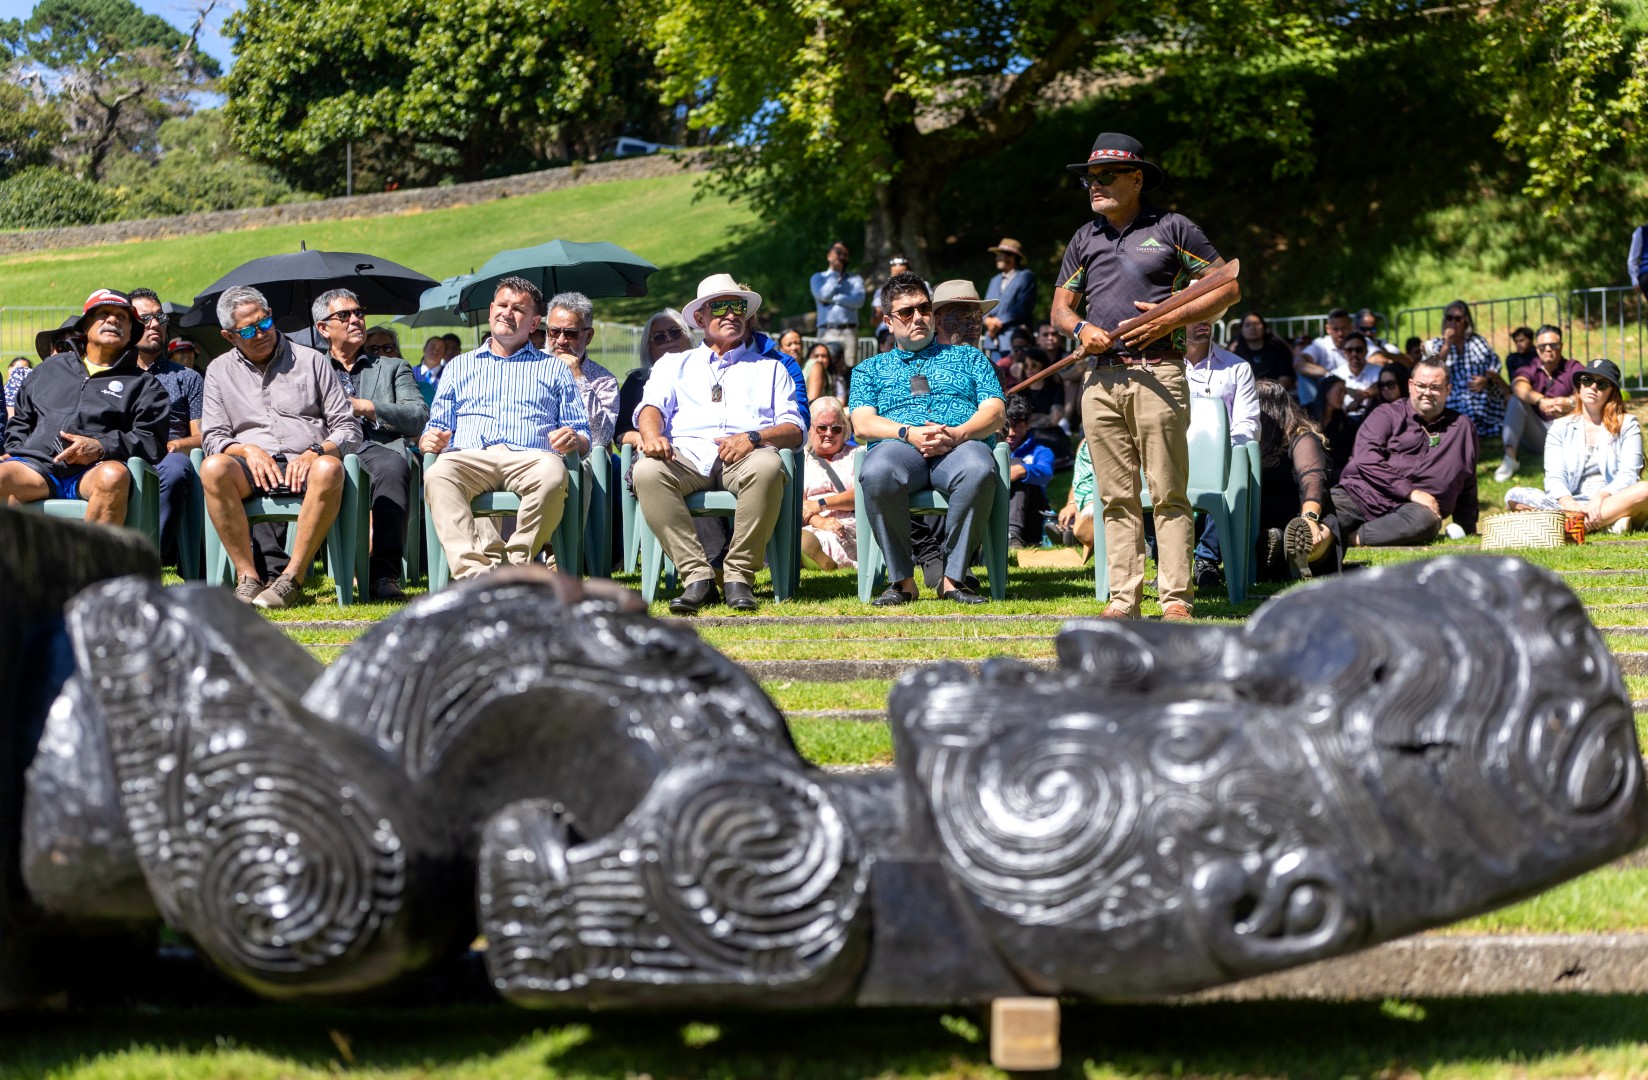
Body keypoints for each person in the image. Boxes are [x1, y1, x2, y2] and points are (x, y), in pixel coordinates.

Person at [1049, 131, 1237, 622]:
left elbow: (1228, 285)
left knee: (1169, 493)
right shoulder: (1083, 237)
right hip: (1099, 379)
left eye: (1106, 176)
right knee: (1114, 496)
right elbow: (1060, 310)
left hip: (1160, 374)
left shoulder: (1174, 227)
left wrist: (1169, 319)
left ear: (1136, 178)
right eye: (1090, 178)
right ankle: (1123, 599)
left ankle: (1175, 598)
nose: (1095, 185)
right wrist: (1082, 328)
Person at [633, 274, 803, 614]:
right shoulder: (673, 364)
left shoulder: (770, 368)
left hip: (746, 455)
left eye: (737, 305)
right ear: (700, 319)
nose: (731, 314)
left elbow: (795, 429)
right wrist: (652, 437)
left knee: (769, 465)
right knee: (647, 471)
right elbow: (650, 408)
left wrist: (754, 437)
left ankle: (739, 576)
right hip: (688, 456)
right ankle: (698, 577)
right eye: (720, 307)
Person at [417, 277, 590, 581]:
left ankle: (515, 566)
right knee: (437, 474)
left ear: (535, 321)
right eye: (502, 305)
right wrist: (428, 438)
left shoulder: (555, 368)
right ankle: (475, 575)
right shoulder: (459, 366)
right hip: (470, 455)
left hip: (532, 457)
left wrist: (574, 438)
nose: (507, 313)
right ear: (490, 311)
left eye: (518, 308)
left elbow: (582, 431)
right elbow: (438, 426)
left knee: (552, 474)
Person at [849, 271, 1005, 606]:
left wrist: (957, 433)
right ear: (889, 321)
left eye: (924, 309)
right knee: (876, 472)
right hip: (900, 447)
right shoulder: (870, 369)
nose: (918, 317)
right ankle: (903, 582)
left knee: (979, 467)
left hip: (959, 446)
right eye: (906, 312)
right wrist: (908, 433)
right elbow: (861, 424)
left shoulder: (970, 357)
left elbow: (995, 412)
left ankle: (953, 579)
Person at [200, 286, 361, 608]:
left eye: (263, 323)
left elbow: (348, 427)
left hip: (307, 460)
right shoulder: (218, 370)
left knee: (330, 467)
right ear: (229, 336)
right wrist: (245, 450)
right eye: (247, 330)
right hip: (250, 467)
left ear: (270, 316)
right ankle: (248, 577)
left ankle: (292, 578)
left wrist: (317, 451)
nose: (259, 333)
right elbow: (213, 436)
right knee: (213, 467)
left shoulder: (312, 361)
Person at [0, 289, 169, 526]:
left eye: (122, 317)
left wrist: (101, 446)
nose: (113, 320)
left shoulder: (145, 385)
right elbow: (21, 419)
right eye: (104, 314)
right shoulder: (50, 368)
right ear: (85, 325)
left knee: (113, 476)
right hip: (38, 466)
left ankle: (90, 563)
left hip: (94, 469)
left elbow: (152, 441)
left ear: (131, 332)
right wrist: (16, 450)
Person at [315, 287, 427, 601]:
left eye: (359, 313)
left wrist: (366, 407)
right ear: (324, 328)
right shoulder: (309, 369)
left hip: (378, 447)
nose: (356, 320)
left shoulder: (391, 368)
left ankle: (384, 575)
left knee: (393, 466)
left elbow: (417, 416)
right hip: (328, 446)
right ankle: (278, 572)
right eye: (344, 315)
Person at [1330, 355, 1477, 548]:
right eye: (1421, 385)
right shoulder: (1386, 414)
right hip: (1362, 496)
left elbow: (1467, 479)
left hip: (1414, 513)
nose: (1427, 392)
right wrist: (1411, 492)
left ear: (1447, 390)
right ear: (1410, 385)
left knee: (1427, 522)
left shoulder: (1462, 427)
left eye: (1435, 387)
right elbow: (1365, 458)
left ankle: (1351, 538)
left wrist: (1467, 526)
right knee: (1323, 516)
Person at [1504, 359, 1648, 533]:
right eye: (1587, 380)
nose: (1593, 387)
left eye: (1602, 384)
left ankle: (1576, 526)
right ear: (1579, 386)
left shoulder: (1627, 424)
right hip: (1570, 504)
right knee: (1513, 496)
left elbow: (1628, 474)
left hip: (1611, 498)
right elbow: (1555, 476)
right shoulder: (1560, 427)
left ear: (1612, 392)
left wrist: (1601, 496)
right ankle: (1607, 524)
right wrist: (1569, 503)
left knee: (1645, 489)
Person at [130, 288, 205, 567]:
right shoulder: (115, 376)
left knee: (176, 468)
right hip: (126, 451)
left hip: (170, 455)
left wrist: (177, 445)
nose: (154, 324)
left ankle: (150, 556)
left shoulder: (187, 378)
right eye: (145, 317)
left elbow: (202, 436)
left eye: (159, 317)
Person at [1183, 320, 1259, 590]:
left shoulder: (1237, 367)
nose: (1202, 322)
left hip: (1221, 461)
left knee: (1232, 471)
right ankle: (1168, 561)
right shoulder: (1160, 367)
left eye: (1209, 315)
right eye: (1194, 316)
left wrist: (1223, 454)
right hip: (1171, 456)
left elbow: (1247, 424)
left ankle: (1206, 560)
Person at [1248, 379, 1340, 580]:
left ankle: (1299, 553)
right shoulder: (1247, 444)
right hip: (1264, 522)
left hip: (1302, 518)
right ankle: (1276, 549)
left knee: (1311, 529)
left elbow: (1313, 479)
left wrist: (1309, 518)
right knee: (1273, 535)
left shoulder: (1302, 439)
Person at [1495, 324, 1583, 482]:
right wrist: (1541, 401)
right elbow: (1518, 385)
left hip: (1567, 431)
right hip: (1538, 432)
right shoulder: (1529, 367)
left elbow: (1588, 389)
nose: (1548, 349)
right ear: (1537, 348)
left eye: (1553, 345)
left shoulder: (1572, 367)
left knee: (1587, 403)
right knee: (1516, 400)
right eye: (1543, 346)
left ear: (1561, 346)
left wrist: (1569, 402)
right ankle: (1510, 458)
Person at [541, 292, 619, 451]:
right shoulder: (530, 364)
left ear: (588, 336)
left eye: (570, 334)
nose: (561, 341)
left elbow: (601, 437)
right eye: (554, 332)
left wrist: (578, 377)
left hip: (580, 461)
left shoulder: (604, 380)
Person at [1427, 299, 1506, 439]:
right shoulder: (1436, 344)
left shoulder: (1476, 341)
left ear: (1466, 322)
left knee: (1478, 404)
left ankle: (1472, 431)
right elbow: (1432, 369)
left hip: (1477, 392)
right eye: (1449, 318)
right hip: (1451, 393)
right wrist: (1447, 344)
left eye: (1458, 319)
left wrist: (1486, 380)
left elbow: (1493, 362)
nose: (1452, 322)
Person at [800, 395, 857, 570]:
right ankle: (813, 554)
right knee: (807, 537)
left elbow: (862, 494)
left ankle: (812, 558)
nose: (829, 434)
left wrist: (820, 504)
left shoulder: (857, 455)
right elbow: (798, 504)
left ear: (845, 429)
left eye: (836, 429)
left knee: (834, 535)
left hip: (850, 523)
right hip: (813, 523)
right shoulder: (801, 460)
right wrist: (821, 522)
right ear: (810, 429)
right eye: (822, 428)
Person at [1004, 394, 1053, 548]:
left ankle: (1013, 535)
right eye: (1007, 426)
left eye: (1017, 425)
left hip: (1031, 518)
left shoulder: (1041, 451)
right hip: (997, 512)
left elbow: (1046, 473)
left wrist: (1022, 470)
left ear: (1028, 424)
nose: (1011, 433)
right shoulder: (988, 449)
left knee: (1019, 466)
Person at [810, 242, 866, 368]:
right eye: (838, 253)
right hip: (827, 331)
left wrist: (835, 298)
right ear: (829, 256)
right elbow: (824, 295)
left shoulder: (855, 279)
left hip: (849, 332)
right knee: (824, 368)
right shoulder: (818, 278)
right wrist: (835, 274)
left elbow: (859, 301)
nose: (842, 257)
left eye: (845, 254)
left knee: (850, 370)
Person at [982, 238, 1037, 359]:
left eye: (1000, 256)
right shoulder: (994, 280)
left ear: (1012, 257)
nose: (997, 259)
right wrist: (987, 321)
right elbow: (985, 305)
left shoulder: (1026, 277)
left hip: (1016, 341)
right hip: (993, 341)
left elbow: (1024, 307)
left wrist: (998, 321)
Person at [1295, 309, 1354, 407]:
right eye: (1336, 329)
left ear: (1351, 327)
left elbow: (1379, 360)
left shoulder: (1361, 342)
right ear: (1328, 329)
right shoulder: (1320, 345)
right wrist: (1331, 376)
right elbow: (1299, 364)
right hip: (1330, 399)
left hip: (1359, 391)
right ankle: (1311, 416)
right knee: (1303, 377)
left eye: (1344, 328)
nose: (1340, 333)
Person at [1053, 440, 1096, 560]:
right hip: (1082, 504)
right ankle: (1071, 531)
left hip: (1100, 505)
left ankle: (1074, 533)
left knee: (1085, 522)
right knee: (1070, 519)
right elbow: (1078, 480)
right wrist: (1071, 503)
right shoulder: (1084, 443)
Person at [1230, 312, 1295, 388]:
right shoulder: (1236, 353)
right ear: (1241, 330)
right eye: (1247, 325)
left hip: (1275, 395)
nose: (1252, 328)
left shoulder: (1278, 349)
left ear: (1264, 327)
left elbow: (1285, 379)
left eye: (1256, 324)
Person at [1314, 374, 1354, 483]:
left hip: (1333, 474)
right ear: (1326, 391)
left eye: (1344, 393)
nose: (1343, 396)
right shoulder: (1306, 413)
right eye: (1339, 391)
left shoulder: (1343, 422)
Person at [1339, 332, 1384, 421]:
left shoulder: (1380, 372)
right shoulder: (1336, 374)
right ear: (1344, 352)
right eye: (1349, 350)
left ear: (1366, 351)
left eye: (1358, 350)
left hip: (1375, 418)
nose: (1354, 354)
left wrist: (1362, 395)